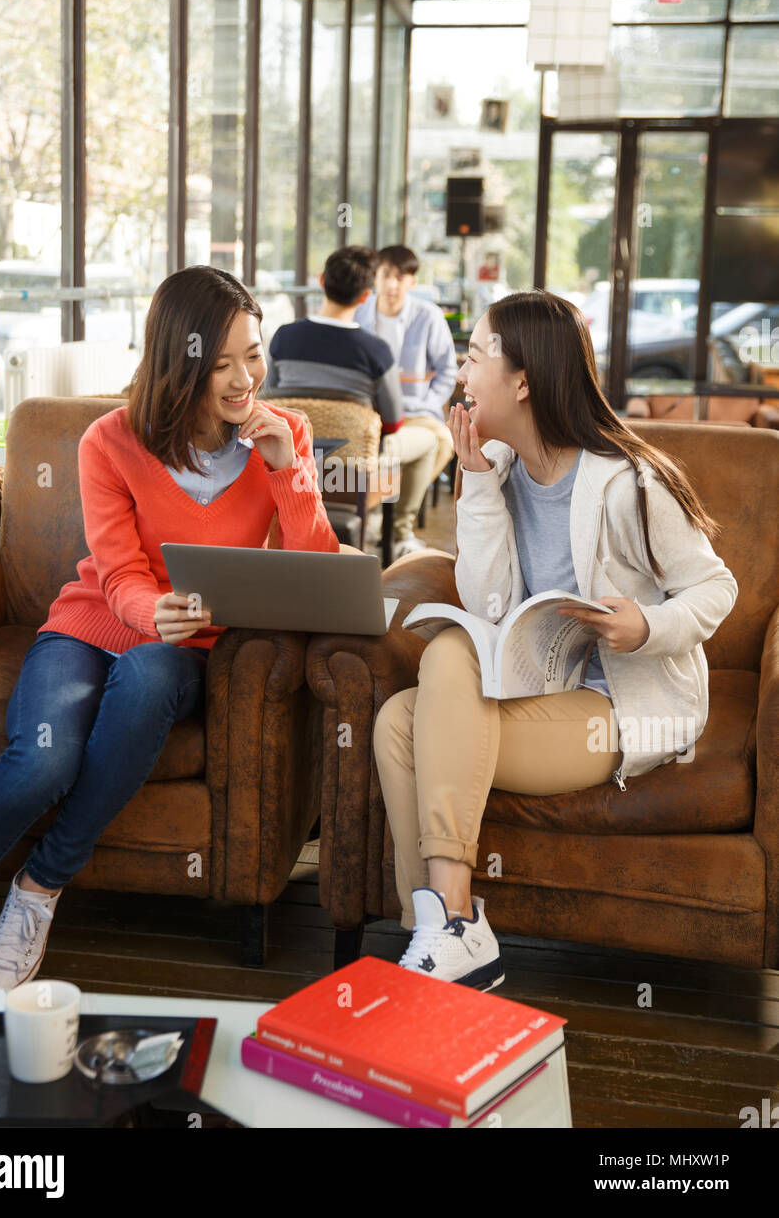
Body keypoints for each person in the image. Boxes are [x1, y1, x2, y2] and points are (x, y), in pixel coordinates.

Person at [0, 266, 339, 986]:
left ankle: (39, 890)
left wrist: (287, 472)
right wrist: (151, 612)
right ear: (182, 359)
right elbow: (116, 575)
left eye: (255, 355)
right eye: (223, 362)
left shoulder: (284, 433)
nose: (245, 380)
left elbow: (315, 574)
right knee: (43, 760)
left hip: (186, 654)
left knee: (148, 672)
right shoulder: (109, 440)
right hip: (89, 627)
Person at [372, 290, 738, 989]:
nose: (463, 372)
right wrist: (475, 486)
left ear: (522, 381)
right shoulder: (501, 475)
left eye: (476, 356)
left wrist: (645, 626)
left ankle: (450, 928)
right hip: (547, 689)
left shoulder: (631, 482)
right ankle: (443, 930)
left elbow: (716, 587)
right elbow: (489, 605)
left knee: (424, 697)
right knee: (401, 713)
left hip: (621, 708)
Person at [354, 245, 457, 559]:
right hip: (370, 414)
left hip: (415, 412)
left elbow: (448, 368)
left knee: (443, 440)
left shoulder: (428, 316)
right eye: (385, 275)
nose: (391, 284)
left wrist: (429, 402)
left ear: (411, 282)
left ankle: (397, 523)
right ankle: (393, 523)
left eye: (400, 277)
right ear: (375, 275)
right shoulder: (360, 312)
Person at [264, 244, 403, 438]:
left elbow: (268, 398)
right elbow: (393, 423)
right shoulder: (377, 351)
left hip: (289, 456)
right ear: (364, 296)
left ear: (321, 280)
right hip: (353, 462)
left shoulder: (283, 337)